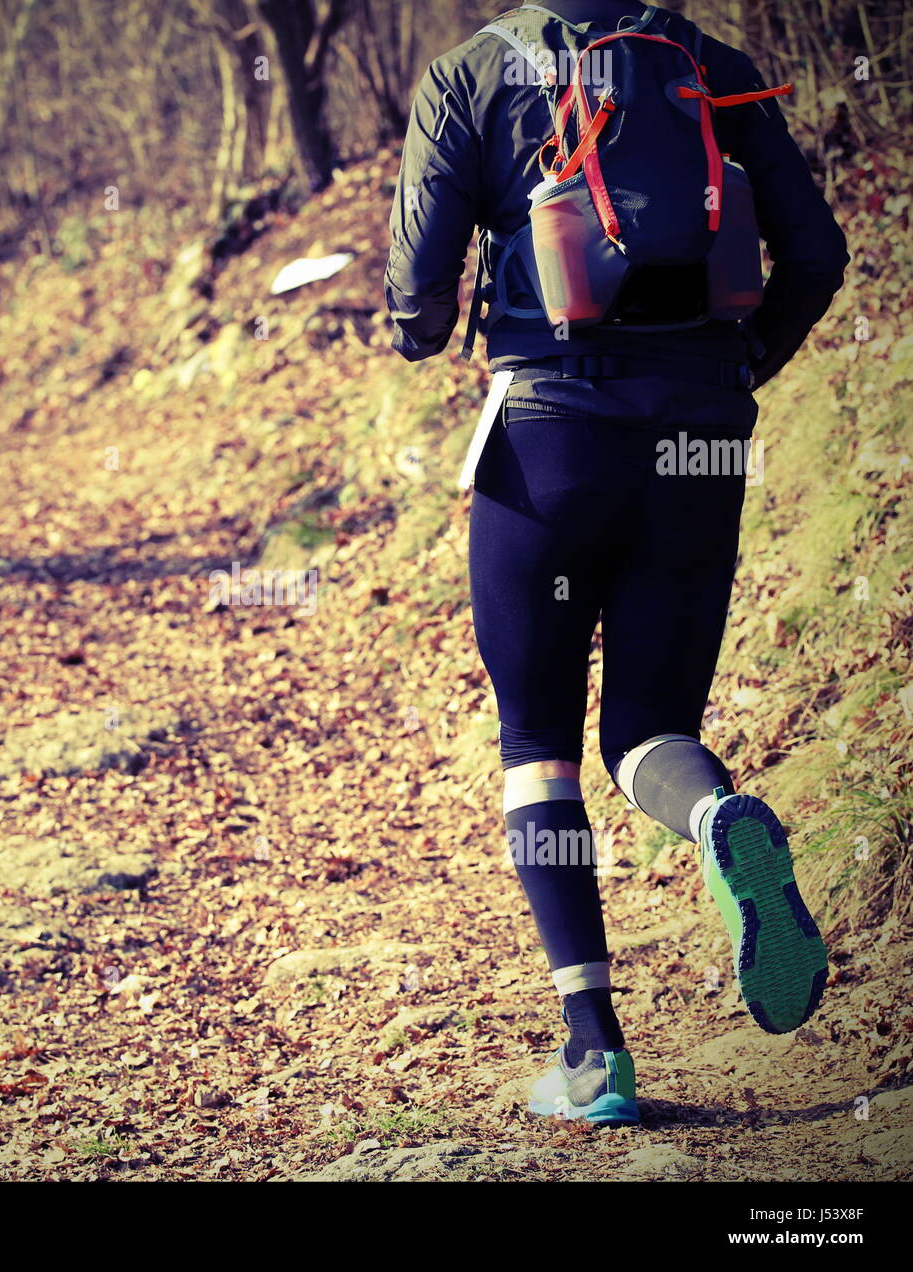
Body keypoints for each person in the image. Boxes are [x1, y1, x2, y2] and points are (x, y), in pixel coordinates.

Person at [384, 0, 849, 1125]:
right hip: (696, 438)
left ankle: (595, 1055)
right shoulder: (711, 63)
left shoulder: (469, 75)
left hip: (547, 441)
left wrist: (444, 310)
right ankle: (715, 820)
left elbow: (416, 310)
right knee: (649, 729)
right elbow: (819, 255)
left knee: (536, 746)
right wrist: (729, 375)